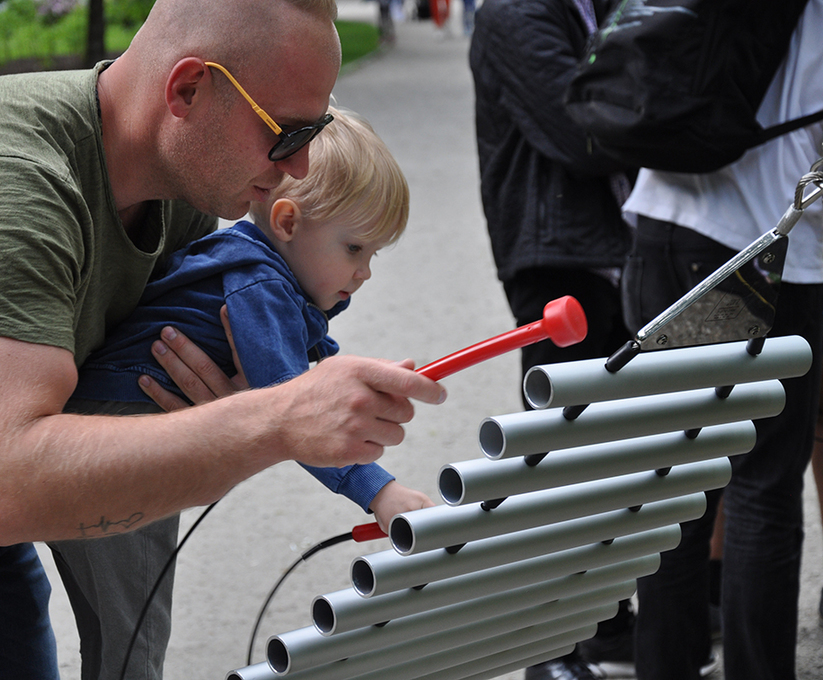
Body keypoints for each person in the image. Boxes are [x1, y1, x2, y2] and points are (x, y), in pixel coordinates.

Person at [0, 0, 446, 677]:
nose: (297, 170)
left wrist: (216, 420)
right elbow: (10, 482)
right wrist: (267, 419)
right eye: (287, 134)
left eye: (313, 132)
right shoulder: (22, 187)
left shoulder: (185, 188)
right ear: (187, 89)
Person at [620, 0, 823, 677]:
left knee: (674, 473)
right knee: (762, 481)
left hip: (664, 224)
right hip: (771, 247)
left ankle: (665, 665)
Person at [470, 1, 636, 678]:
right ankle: (550, 652)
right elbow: (577, 133)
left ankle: (603, 623)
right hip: (554, 254)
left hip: (602, 246)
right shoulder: (512, 10)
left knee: (613, 450)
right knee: (560, 457)